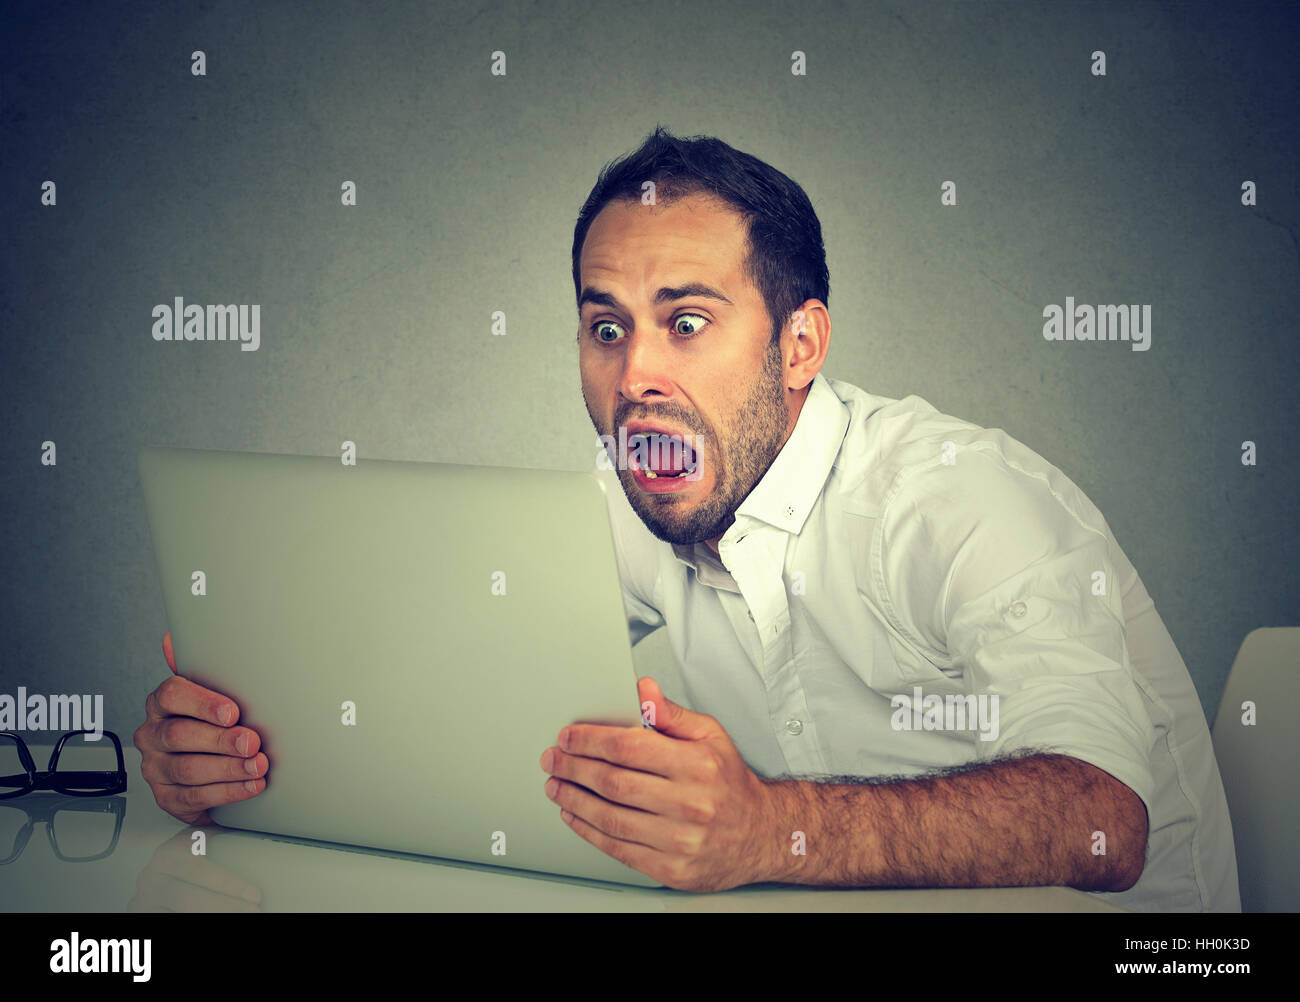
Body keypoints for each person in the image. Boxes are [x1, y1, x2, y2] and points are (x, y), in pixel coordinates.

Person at [136, 126, 1240, 910]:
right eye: (606, 328)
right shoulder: (627, 500)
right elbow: (431, 688)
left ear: (800, 346)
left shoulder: (957, 502)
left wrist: (768, 829)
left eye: (688, 321)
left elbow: (1105, 819)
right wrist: (244, 750)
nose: (636, 377)